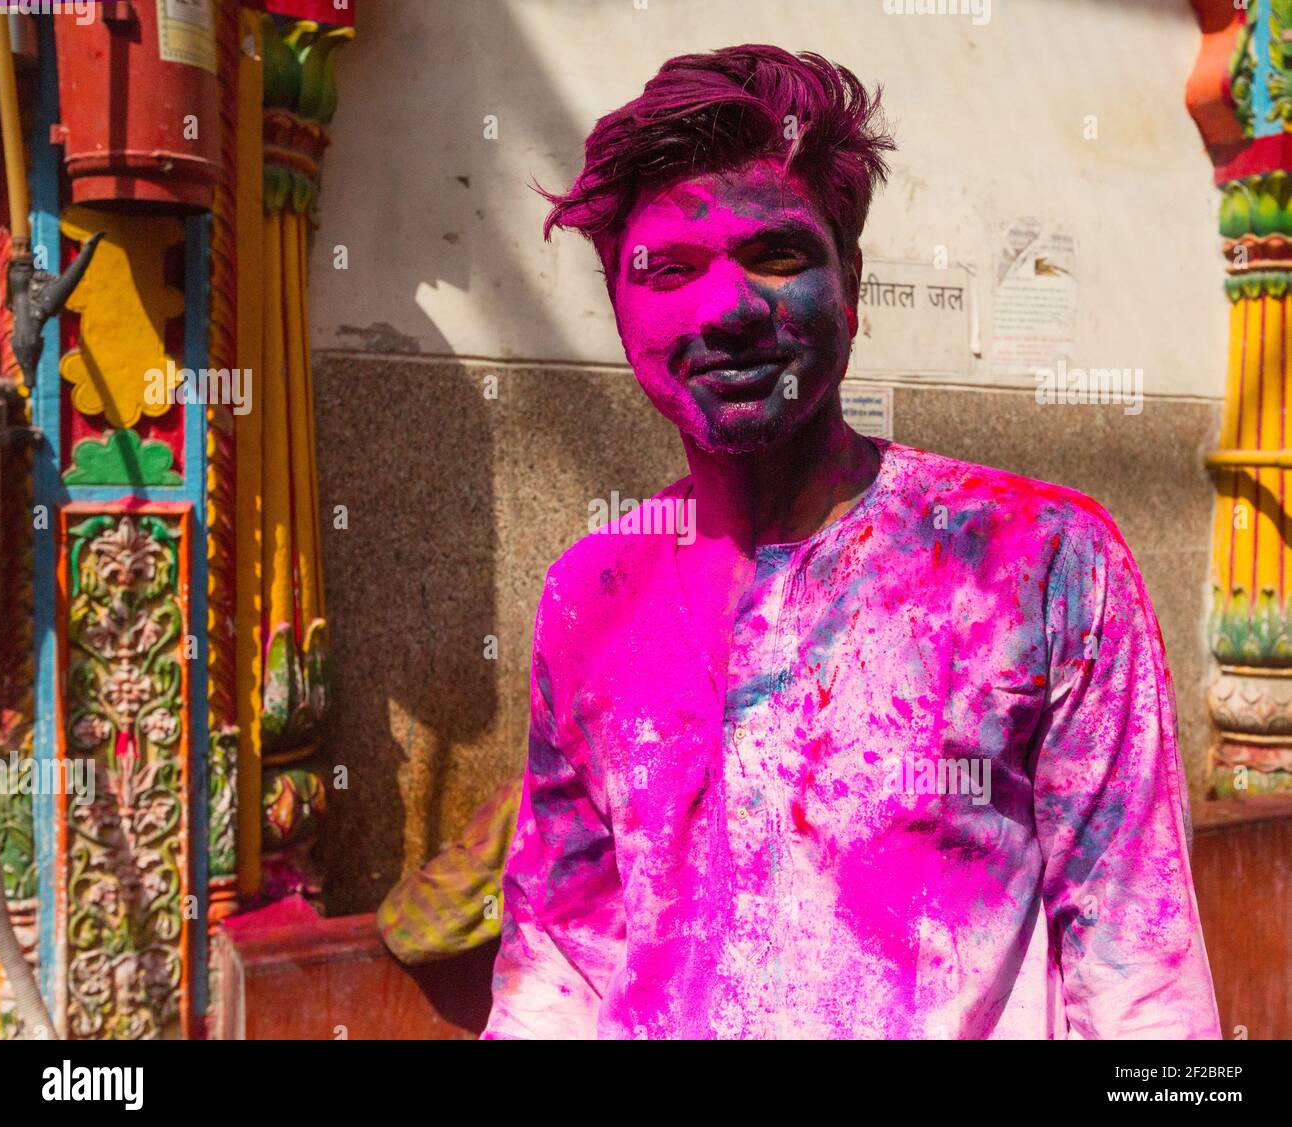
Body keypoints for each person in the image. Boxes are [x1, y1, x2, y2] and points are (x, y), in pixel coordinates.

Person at [480, 44, 1221, 1039]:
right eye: (668, 269)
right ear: (619, 307)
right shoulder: (592, 592)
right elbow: (562, 952)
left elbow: (1139, 975)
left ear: (850, 283)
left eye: (777, 256)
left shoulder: (1037, 562)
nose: (728, 307)